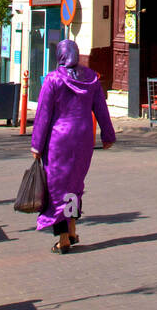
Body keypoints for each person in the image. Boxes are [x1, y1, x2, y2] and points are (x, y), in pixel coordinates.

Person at [30, 38, 116, 253]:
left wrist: (36, 145)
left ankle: (63, 238)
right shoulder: (91, 78)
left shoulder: (52, 79)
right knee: (75, 185)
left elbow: (43, 115)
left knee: (56, 187)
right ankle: (72, 228)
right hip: (84, 137)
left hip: (59, 140)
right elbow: (102, 109)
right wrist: (108, 135)